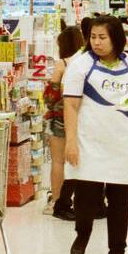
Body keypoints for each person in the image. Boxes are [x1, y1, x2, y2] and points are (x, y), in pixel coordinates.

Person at [62, 16, 128, 254]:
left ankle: (117, 251)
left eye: (103, 37)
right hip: (89, 142)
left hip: (124, 142)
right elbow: (70, 104)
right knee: (86, 198)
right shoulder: (80, 65)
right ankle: (83, 234)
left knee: (121, 200)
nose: (97, 43)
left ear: (116, 38)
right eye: (93, 37)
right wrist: (71, 142)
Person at [44, 26, 85, 220]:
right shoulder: (86, 63)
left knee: (59, 161)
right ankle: (80, 200)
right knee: (79, 161)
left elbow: (50, 97)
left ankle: (57, 201)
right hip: (81, 118)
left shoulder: (62, 64)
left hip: (60, 118)